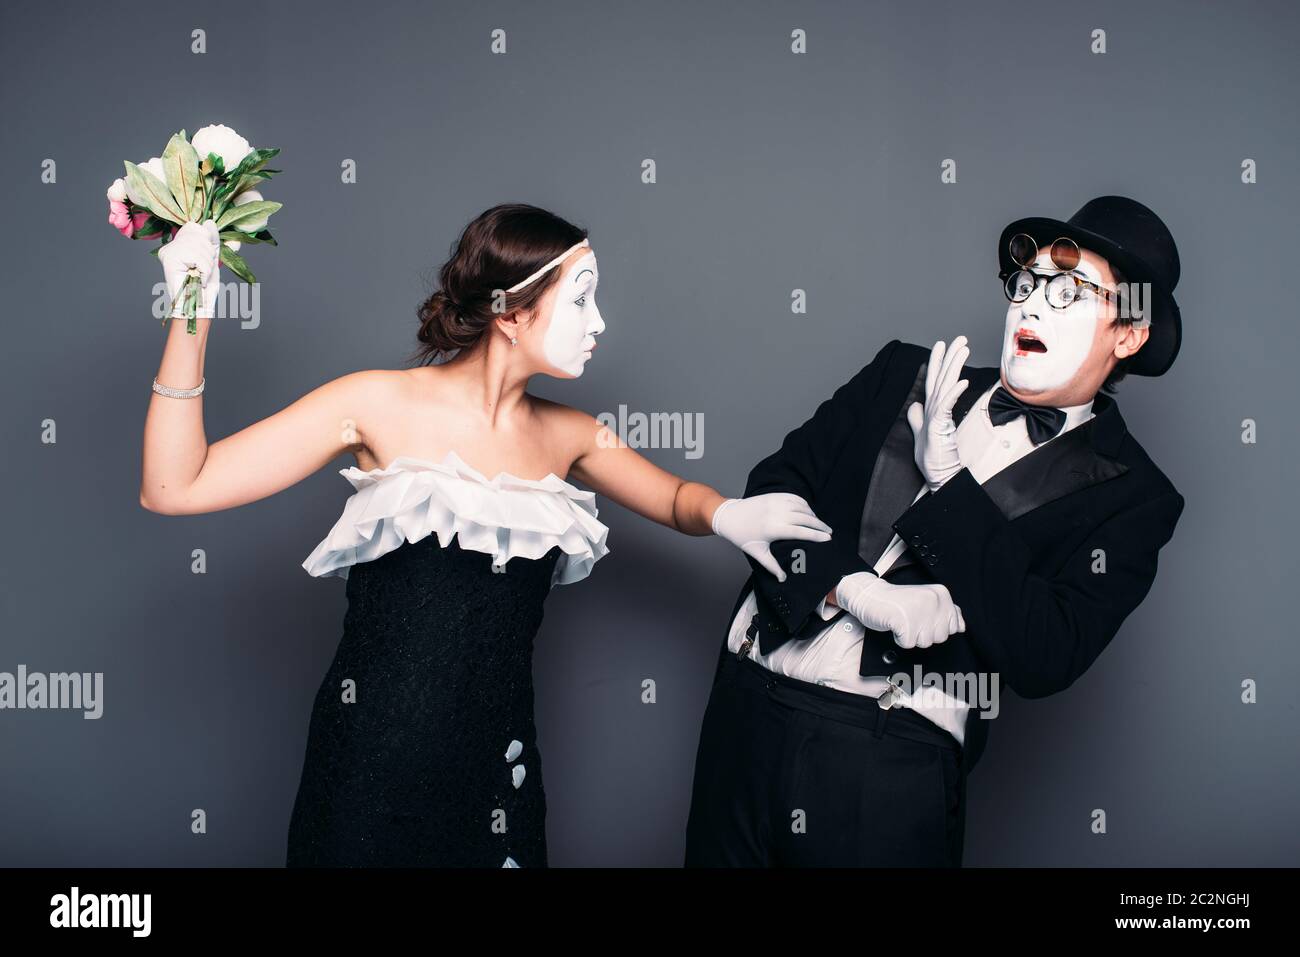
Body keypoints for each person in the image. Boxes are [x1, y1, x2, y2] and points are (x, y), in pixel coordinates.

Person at [138, 203, 831, 867]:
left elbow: (676, 498)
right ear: (511, 309)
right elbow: (175, 486)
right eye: (582, 298)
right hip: (367, 773)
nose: (599, 322)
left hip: (497, 779)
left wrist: (728, 513)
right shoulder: (374, 402)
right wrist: (191, 309)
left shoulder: (571, 436)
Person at [683, 196, 1187, 867]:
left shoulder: (1135, 498)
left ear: (1127, 334)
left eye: (1067, 292)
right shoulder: (903, 373)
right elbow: (773, 488)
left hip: (886, 767)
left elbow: (1046, 652)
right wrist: (848, 586)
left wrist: (950, 490)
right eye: (1028, 283)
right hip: (743, 716)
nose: (1032, 305)